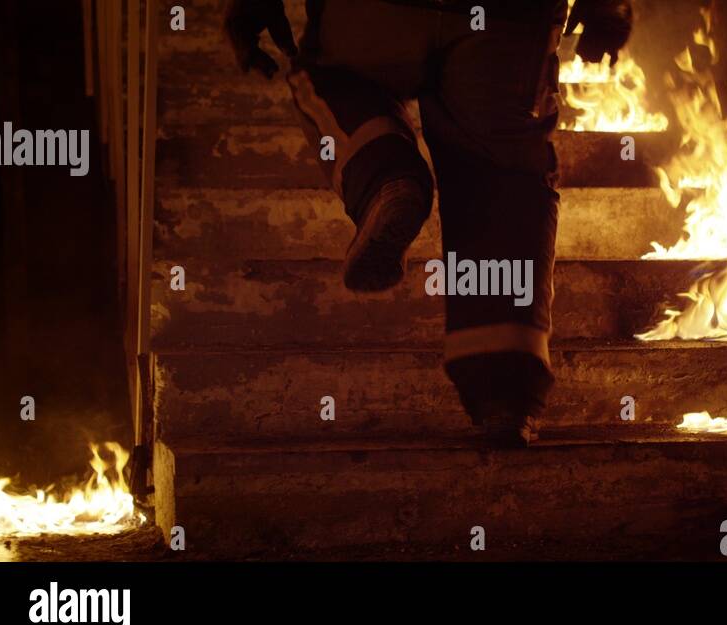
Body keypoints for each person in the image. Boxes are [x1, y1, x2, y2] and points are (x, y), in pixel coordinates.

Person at [225, 0, 633, 447]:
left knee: (330, 77)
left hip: (373, 18)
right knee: (502, 174)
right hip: (505, 24)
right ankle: (503, 389)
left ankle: (382, 169)